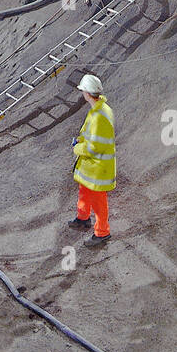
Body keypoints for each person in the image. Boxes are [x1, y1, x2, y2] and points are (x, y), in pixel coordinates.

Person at [69, 73, 115, 247]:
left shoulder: (99, 116)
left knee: (98, 201)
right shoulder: (98, 110)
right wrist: (80, 140)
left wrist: (77, 148)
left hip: (97, 167)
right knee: (85, 192)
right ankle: (82, 218)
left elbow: (94, 147)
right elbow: (89, 136)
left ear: (87, 93)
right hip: (91, 166)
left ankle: (102, 233)